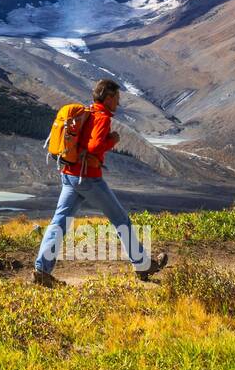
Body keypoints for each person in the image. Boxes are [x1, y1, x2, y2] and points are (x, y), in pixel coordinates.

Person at [32, 78, 167, 286]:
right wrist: (112, 140)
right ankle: (142, 265)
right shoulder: (102, 117)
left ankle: (41, 270)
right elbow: (95, 147)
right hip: (89, 178)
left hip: (69, 174)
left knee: (59, 223)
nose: (118, 103)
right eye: (117, 98)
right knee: (121, 220)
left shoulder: (87, 113)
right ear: (109, 97)